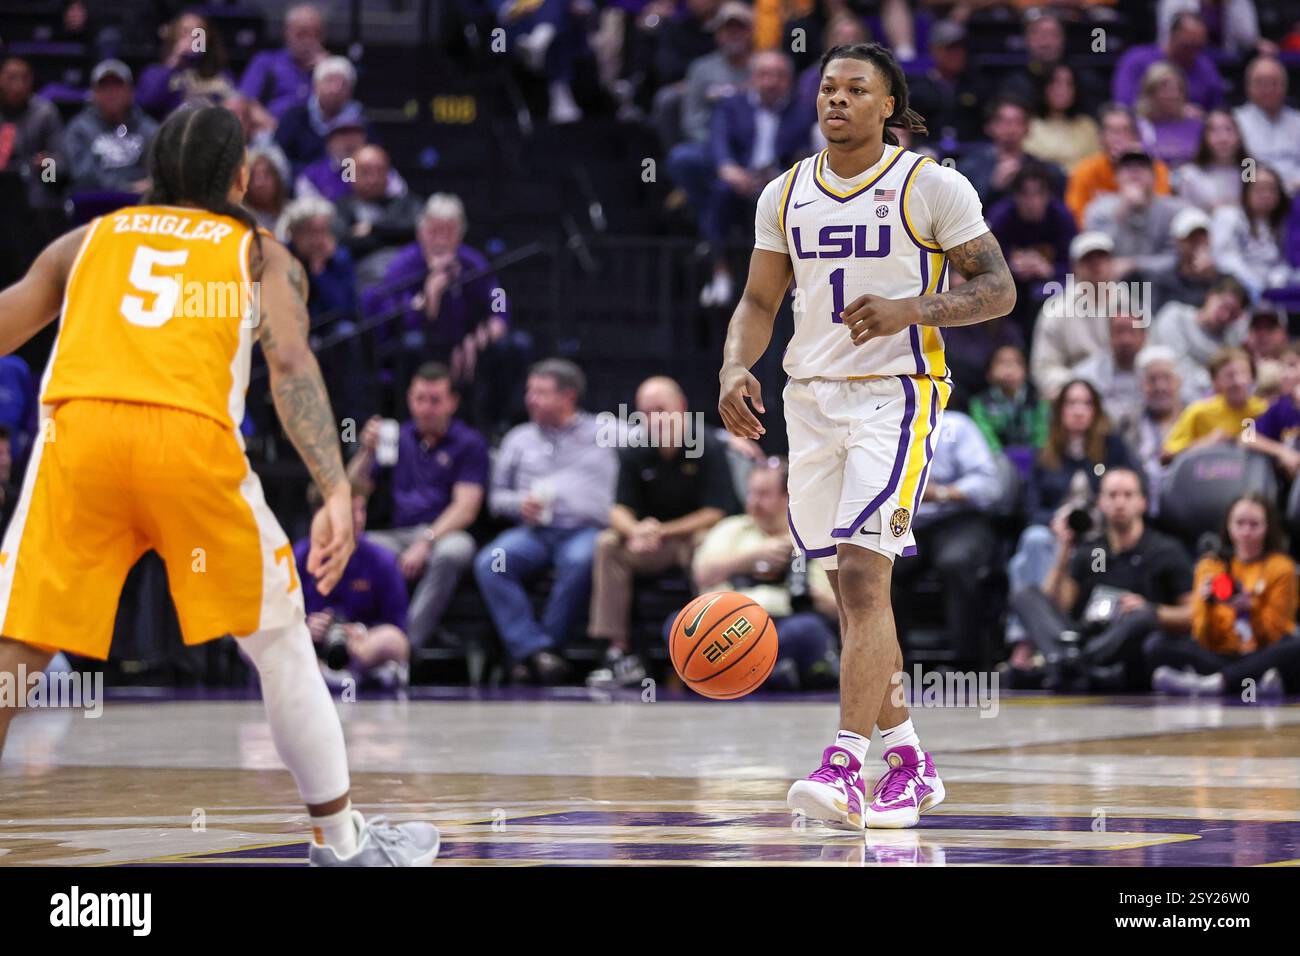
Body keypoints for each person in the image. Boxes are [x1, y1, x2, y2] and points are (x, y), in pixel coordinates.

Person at [0, 105, 436, 865]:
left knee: (18, 647)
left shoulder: (88, 240)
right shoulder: (261, 252)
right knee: (280, 644)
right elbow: (293, 368)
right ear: (240, 177)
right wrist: (335, 489)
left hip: (81, 434)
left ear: (155, 172)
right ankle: (341, 844)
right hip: (189, 442)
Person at [717, 42, 1015, 829]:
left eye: (856, 89)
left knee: (860, 577)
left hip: (897, 395)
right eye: (828, 88)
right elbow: (756, 301)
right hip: (808, 402)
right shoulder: (783, 195)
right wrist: (731, 369)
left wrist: (911, 309)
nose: (836, 100)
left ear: (890, 106)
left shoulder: (932, 185)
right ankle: (909, 763)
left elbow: (998, 290)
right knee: (848, 600)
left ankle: (846, 765)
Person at [474, 359, 618, 685]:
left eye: (540, 392)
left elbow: (659, 432)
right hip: (534, 532)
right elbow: (496, 498)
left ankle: (544, 650)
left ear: (567, 397)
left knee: (581, 561)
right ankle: (535, 651)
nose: (530, 399)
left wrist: (724, 440)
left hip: (585, 530)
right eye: (529, 391)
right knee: (490, 563)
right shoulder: (518, 438)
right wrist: (518, 505)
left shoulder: (604, 431)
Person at [588, 376, 738, 687]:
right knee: (608, 544)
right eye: (645, 412)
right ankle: (617, 651)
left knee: (705, 545)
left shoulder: (707, 445)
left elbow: (717, 511)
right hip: (653, 545)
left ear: (681, 408)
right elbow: (618, 509)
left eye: (660, 409)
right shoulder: (634, 451)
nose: (654, 419)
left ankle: (711, 647)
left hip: (694, 538)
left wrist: (664, 530)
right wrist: (636, 530)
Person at [1010, 468, 1194, 690]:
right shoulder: (1092, 550)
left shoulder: (1164, 550)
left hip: (1127, 645)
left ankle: (1069, 664)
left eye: (1127, 495)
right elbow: (1058, 606)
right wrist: (1064, 550)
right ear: (1100, 503)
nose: (1119, 503)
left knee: (1143, 617)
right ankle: (1076, 665)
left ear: (1142, 502)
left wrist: (1152, 608)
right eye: (1112, 495)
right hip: (1085, 636)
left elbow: (1192, 614)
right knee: (1025, 596)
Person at [347, 364, 488, 651]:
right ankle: (351, 640)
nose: (426, 408)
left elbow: (466, 509)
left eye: (435, 400)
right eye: (419, 399)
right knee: (356, 547)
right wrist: (366, 451)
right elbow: (352, 491)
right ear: (410, 399)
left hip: (446, 533)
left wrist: (426, 541)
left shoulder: (469, 443)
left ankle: (403, 648)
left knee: (453, 553)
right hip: (398, 534)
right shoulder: (396, 436)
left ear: (452, 403)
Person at [681, 458, 841, 691]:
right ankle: (766, 674)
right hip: (726, 626)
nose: (754, 502)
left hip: (782, 623)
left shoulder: (811, 537)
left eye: (764, 494)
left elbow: (837, 606)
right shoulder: (731, 528)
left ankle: (741, 675)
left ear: (788, 496)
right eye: (752, 493)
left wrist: (799, 584)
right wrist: (751, 559)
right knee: (677, 625)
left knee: (809, 630)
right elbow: (701, 575)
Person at [1149, 493, 1300, 696]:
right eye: (1240, 523)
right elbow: (1202, 637)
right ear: (1228, 526)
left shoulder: (1282, 568)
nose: (1246, 532)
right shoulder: (1210, 566)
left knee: (1294, 646)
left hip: (1262, 652)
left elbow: (1276, 635)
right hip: (1221, 654)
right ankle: (1252, 684)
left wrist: (1250, 609)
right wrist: (1207, 605)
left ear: (1267, 528)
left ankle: (1215, 683)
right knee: (1156, 644)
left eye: (1254, 525)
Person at [890, 409, 1002, 661]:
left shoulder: (956, 425)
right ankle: (892, 662)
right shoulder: (890, 426)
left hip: (960, 517)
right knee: (882, 565)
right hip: (911, 523)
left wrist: (941, 493)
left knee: (956, 562)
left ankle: (967, 662)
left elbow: (989, 486)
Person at [295, 487, 411, 689]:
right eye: (350, 512)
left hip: (359, 647)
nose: (358, 519)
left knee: (393, 641)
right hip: (312, 647)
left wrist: (362, 631)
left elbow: (398, 626)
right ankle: (325, 674)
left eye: (362, 510)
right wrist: (306, 626)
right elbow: (279, 613)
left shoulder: (382, 560)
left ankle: (349, 675)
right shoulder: (300, 556)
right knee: (259, 636)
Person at [1029, 231, 1117, 398]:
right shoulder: (1056, 310)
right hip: (1076, 394)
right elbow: (1044, 368)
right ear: (1075, 266)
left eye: (1102, 258)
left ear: (1111, 263)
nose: (1096, 264)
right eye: (1088, 260)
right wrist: (1080, 389)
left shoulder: (1129, 303)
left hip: (1124, 390)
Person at [1082, 149, 1186, 280]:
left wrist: (1135, 264)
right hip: (1111, 284)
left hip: (1161, 284)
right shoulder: (1098, 209)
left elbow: (1178, 259)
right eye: (1127, 167)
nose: (1134, 172)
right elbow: (1092, 253)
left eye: (1141, 166)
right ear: (1116, 177)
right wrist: (1121, 213)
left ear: (1154, 177)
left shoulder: (1173, 210)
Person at [1066, 104, 1173, 225]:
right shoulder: (1085, 170)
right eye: (1112, 131)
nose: (1118, 137)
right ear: (1101, 137)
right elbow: (1076, 216)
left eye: (1125, 130)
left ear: (1136, 136)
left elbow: (1162, 215)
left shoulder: (1156, 169)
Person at [64, 59, 159, 195]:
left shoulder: (148, 128)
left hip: (139, 204)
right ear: (94, 94)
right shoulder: (80, 129)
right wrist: (126, 188)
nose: (111, 93)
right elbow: (82, 175)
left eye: (118, 85)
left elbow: (158, 169)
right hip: (96, 202)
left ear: (130, 92)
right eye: (104, 86)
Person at [1161, 346, 1267, 463]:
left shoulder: (1263, 410)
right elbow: (1166, 456)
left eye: (1243, 373)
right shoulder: (1199, 411)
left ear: (1252, 377)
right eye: (1229, 376)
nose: (1238, 381)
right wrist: (1207, 443)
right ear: (1215, 381)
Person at [1150, 273, 1249, 392]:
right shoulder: (1175, 317)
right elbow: (1175, 367)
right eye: (1223, 306)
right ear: (1210, 296)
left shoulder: (1231, 338)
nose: (1225, 316)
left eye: (1233, 313)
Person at [1209, 164, 1297, 298]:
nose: (1266, 194)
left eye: (1271, 189)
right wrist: (1256, 285)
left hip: (1273, 287)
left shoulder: (1283, 222)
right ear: (1246, 191)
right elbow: (1226, 260)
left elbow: (1283, 262)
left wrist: (1277, 279)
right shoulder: (1228, 216)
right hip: (1238, 286)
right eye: (1260, 188)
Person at [1112, 11, 1224, 112]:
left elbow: (1217, 111)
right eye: (1187, 46)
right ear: (1172, 36)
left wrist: (1201, 116)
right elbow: (1123, 106)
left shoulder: (1206, 67)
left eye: (1198, 47)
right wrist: (1175, 110)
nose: (1192, 52)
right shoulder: (1136, 60)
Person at [135, 10, 235, 119]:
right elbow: (146, 104)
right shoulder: (155, 73)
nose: (191, 38)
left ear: (208, 38)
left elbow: (233, 111)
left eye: (198, 32)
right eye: (184, 32)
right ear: (174, 36)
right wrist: (174, 62)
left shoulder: (223, 75)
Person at [275, 56, 362, 180]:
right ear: (316, 86)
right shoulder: (294, 117)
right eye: (330, 81)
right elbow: (279, 157)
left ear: (350, 92)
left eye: (343, 84)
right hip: (300, 186)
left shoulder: (360, 123)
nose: (335, 89)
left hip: (347, 189)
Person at [238, 3, 329, 119]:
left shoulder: (330, 67)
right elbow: (246, 102)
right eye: (301, 34)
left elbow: (338, 112)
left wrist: (326, 71)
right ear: (287, 33)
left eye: (316, 34)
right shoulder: (266, 61)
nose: (308, 41)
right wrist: (274, 128)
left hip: (316, 133)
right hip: (270, 130)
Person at [1122, 345, 1185, 513]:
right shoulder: (1127, 423)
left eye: (1167, 378)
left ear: (1179, 381)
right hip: (1139, 510)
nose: (1160, 387)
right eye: (1152, 379)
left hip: (1185, 506)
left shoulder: (1195, 418)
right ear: (1141, 385)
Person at [968, 344, 1048, 475]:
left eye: (1015, 363)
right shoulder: (980, 403)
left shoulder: (1038, 401)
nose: (1009, 369)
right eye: (1002, 363)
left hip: (1035, 464)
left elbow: (1042, 437)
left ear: (1026, 371)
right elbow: (987, 441)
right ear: (989, 372)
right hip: (995, 465)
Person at [1232, 56, 1300, 193]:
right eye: (1261, 83)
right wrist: (1254, 187)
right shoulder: (1236, 120)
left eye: (1274, 83)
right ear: (1248, 87)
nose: (1268, 89)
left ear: (1285, 86)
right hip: (1254, 194)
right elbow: (1244, 163)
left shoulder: (1297, 120)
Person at [1022, 62, 1102, 174]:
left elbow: (1098, 166)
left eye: (1069, 84)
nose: (1063, 90)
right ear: (1044, 87)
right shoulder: (1028, 125)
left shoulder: (1087, 126)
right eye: (1055, 83)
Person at [1172, 108, 1248, 213]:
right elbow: (1185, 215)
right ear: (1204, 138)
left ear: (1239, 136)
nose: (1223, 138)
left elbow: (1255, 204)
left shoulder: (1249, 168)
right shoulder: (1189, 174)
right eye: (1214, 131)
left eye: (1228, 129)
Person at [1146, 206, 1218, 312]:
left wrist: (1210, 278)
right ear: (1177, 242)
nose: (1197, 243)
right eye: (1191, 238)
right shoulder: (1163, 281)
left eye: (1202, 236)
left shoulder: (1222, 279)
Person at [1134, 61, 1203, 168]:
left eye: (1179, 88)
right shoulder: (1138, 127)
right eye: (1165, 88)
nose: (1174, 94)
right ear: (1150, 92)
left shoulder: (1196, 126)